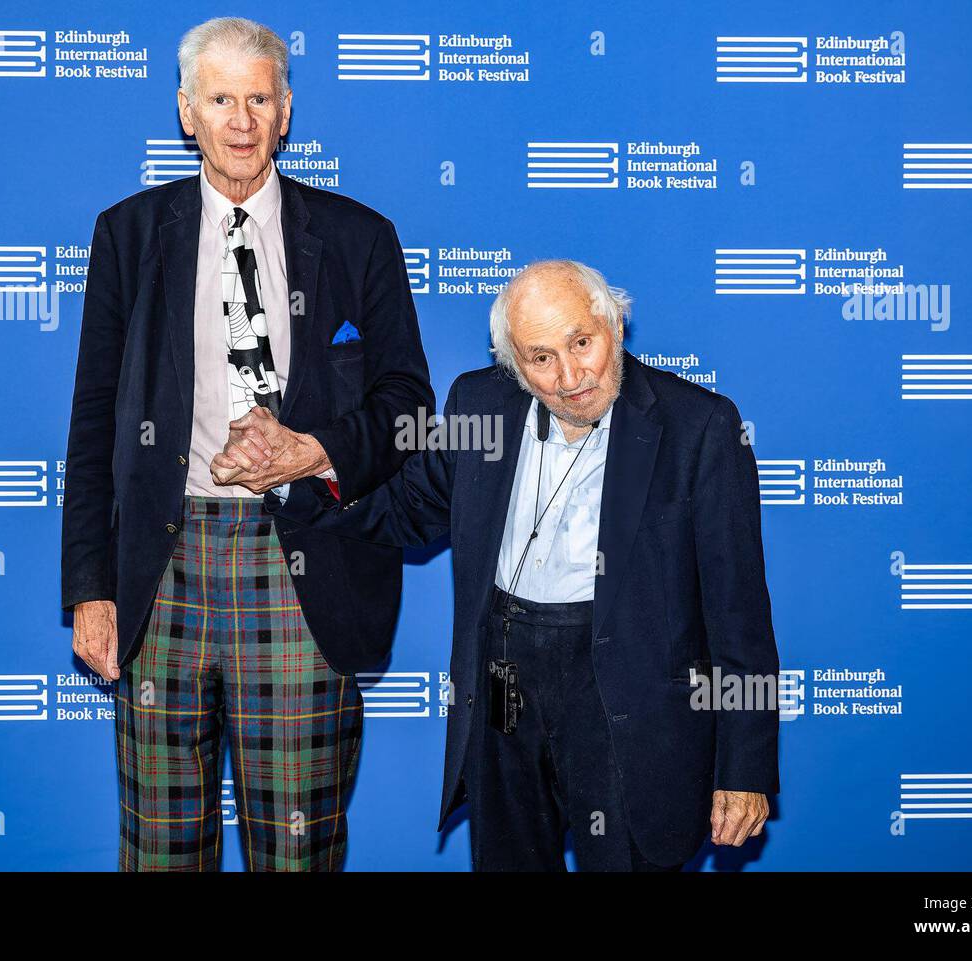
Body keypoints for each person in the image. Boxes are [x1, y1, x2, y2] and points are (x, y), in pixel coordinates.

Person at [216, 260, 779, 871]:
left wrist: (744, 769)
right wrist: (300, 473)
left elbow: (738, 609)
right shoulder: (478, 404)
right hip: (502, 685)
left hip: (625, 701)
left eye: (581, 343)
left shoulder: (699, 426)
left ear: (614, 323)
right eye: (540, 358)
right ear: (513, 363)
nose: (569, 377)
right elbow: (406, 510)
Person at [60, 16, 433, 871]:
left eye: (258, 98)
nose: (240, 119)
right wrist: (90, 585)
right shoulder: (127, 234)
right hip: (164, 568)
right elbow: (92, 420)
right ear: (186, 111)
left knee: (299, 854)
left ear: (287, 109)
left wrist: (312, 450)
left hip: (304, 563)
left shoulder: (357, 237)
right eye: (220, 98)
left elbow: (407, 405)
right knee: (160, 848)